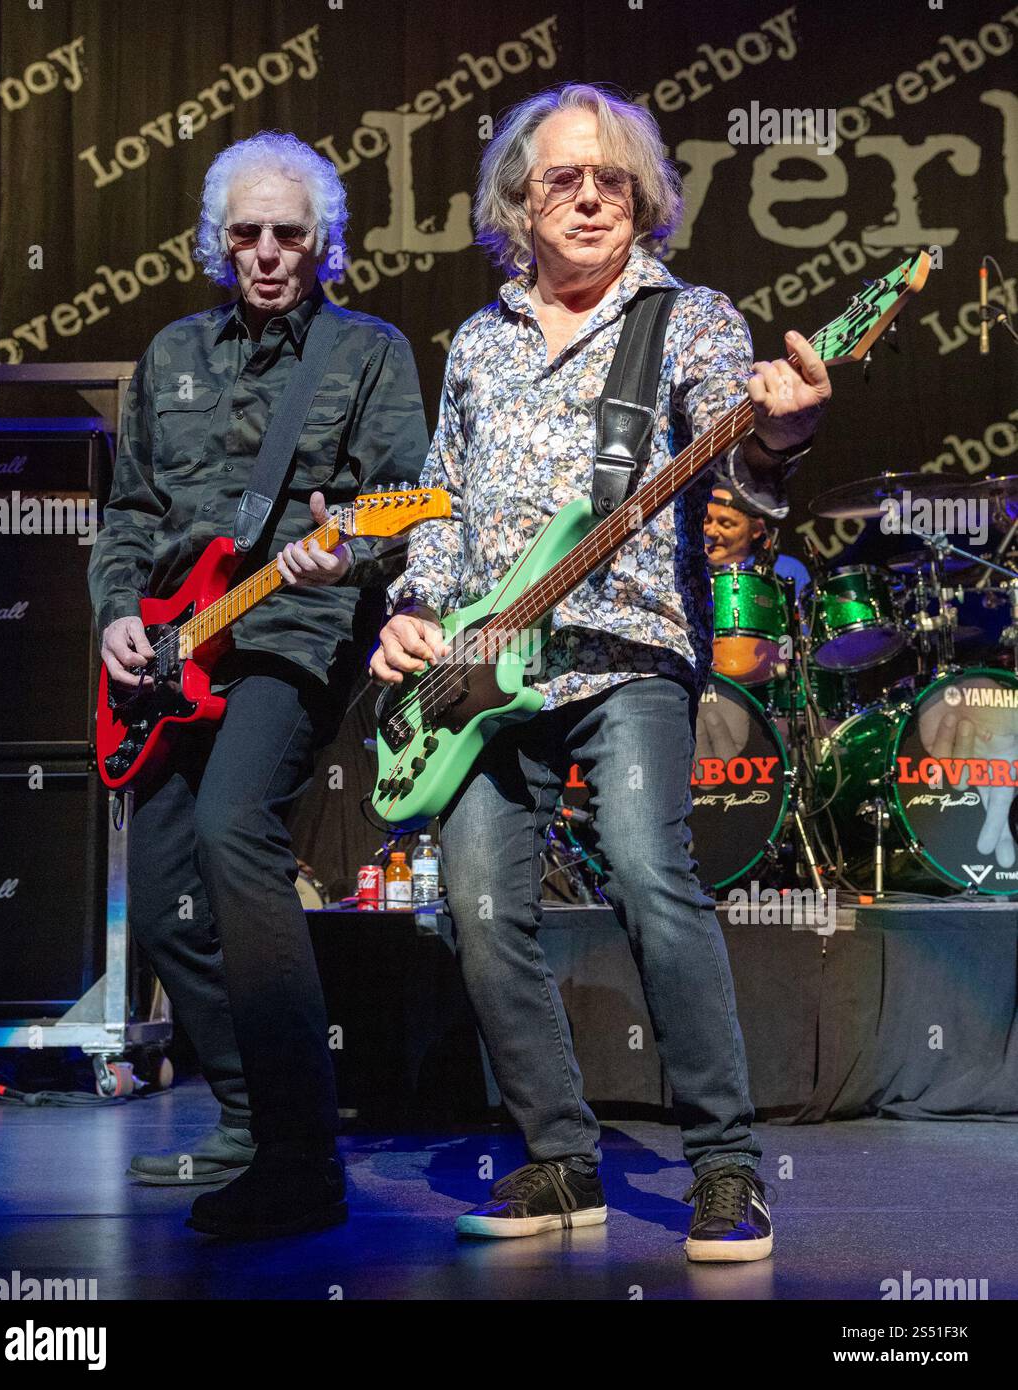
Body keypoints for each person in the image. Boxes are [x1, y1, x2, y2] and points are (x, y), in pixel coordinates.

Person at [370, 84, 830, 1260]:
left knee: (645, 869)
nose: (587, 196)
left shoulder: (686, 320)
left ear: (643, 201)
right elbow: (443, 503)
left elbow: (747, 471)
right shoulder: (478, 340)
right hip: (480, 677)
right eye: (562, 179)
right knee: (476, 910)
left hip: (625, 655)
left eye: (611, 179)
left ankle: (726, 1168)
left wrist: (780, 431)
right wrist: (416, 610)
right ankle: (560, 1161)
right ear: (515, 205)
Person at [88, 132, 428, 1238]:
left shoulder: (365, 350)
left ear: (321, 239)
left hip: (295, 630)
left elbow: (402, 502)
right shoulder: (172, 353)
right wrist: (115, 616)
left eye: (290, 232)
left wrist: (355, 550)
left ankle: (300, 1157)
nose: (270, 251)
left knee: (235, 829)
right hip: (179, 647)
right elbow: (132, 514)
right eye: (248, 233)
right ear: (217, 241)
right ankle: (243, 1111)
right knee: (163, 875)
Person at [704, 482, 811, 594]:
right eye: (706, 521)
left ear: (755, 530)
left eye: (725, 524)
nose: (711, 532)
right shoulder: (688, 571)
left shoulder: (788, 570)